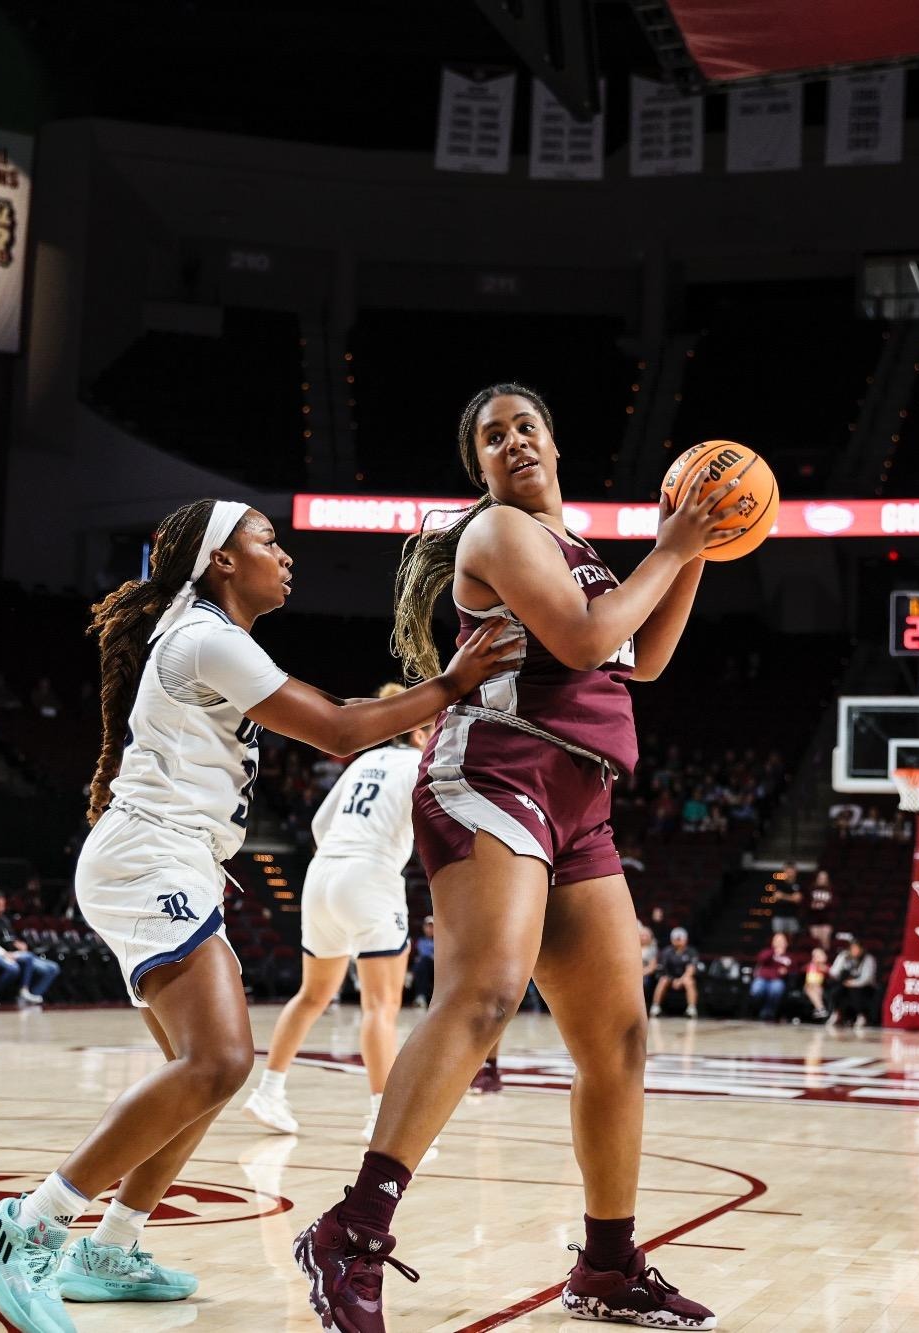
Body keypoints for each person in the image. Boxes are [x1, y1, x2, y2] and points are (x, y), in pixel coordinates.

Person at [0, 497, 514, 1333]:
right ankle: (25, 1225)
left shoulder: (213, 638)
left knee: (207, 1077)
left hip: (172, 860)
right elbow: (334, 727)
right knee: (219, 1059)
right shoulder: (203, 635)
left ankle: (111, 1246)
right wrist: (451, 684)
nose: (284, 556)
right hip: (151, 855)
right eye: (268, 541)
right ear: (221, 558)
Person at [292, 384, 739, 1333]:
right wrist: (670, 548)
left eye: (526, 425)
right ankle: (353, 1232)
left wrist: (692, 549)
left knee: (618, 1038)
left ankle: (609, 1266)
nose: (512, 442)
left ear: (554, 440)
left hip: (582, 797)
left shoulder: (577, 552)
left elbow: (643, 656)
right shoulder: (494, 534)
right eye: (493, 437)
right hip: (495, 766)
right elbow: (582, 639)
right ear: (482, 468)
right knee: (486, 992)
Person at [246, 690, 432, 1141]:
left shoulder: (361, 765)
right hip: (368, 877)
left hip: (323, 874)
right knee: (380, 1006)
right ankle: (381, 1118)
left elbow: (317, 825)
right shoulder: (418, 765)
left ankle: (269, 1090)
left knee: (313, 995)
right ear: (418, 730)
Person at [827, 937, 878, 1030]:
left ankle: (861, 1016)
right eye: (852, 948)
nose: (855, 951)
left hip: (864, 986)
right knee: (835, 990)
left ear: (862, 949)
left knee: (855, 992)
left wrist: (853, 983)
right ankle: (836, 1013)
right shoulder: (843, 956)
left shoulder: (868, 959)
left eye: (857, 948)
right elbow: (833, 972)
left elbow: (867, 978)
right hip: (845, 983)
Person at [650, 927, 701, 1019]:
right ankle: (656, 1007)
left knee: (689, 981)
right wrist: (672, 979)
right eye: (676, 938)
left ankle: (691, 1008)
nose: (678, 941)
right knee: (663, 980)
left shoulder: (691, 952)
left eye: (680, 938)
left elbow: (691, 969)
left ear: (686, 939)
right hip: (670, 977)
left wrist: (681, 980)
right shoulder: (666, 952)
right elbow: (663, 969)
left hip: (684, 978)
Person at [748, 930, 795, 1022]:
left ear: (786, 943)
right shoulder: (767, 951)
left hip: (777, 979)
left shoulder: (789, 957)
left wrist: (787, 971)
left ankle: (768, 1013)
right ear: (773, 942)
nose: (779, 943)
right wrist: (774, 952)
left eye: (782, 941)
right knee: (757, 990)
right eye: (777, 940)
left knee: (776, 989)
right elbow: (761, 959)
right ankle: (756, 1011)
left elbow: (794, 970)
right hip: (762, 978)